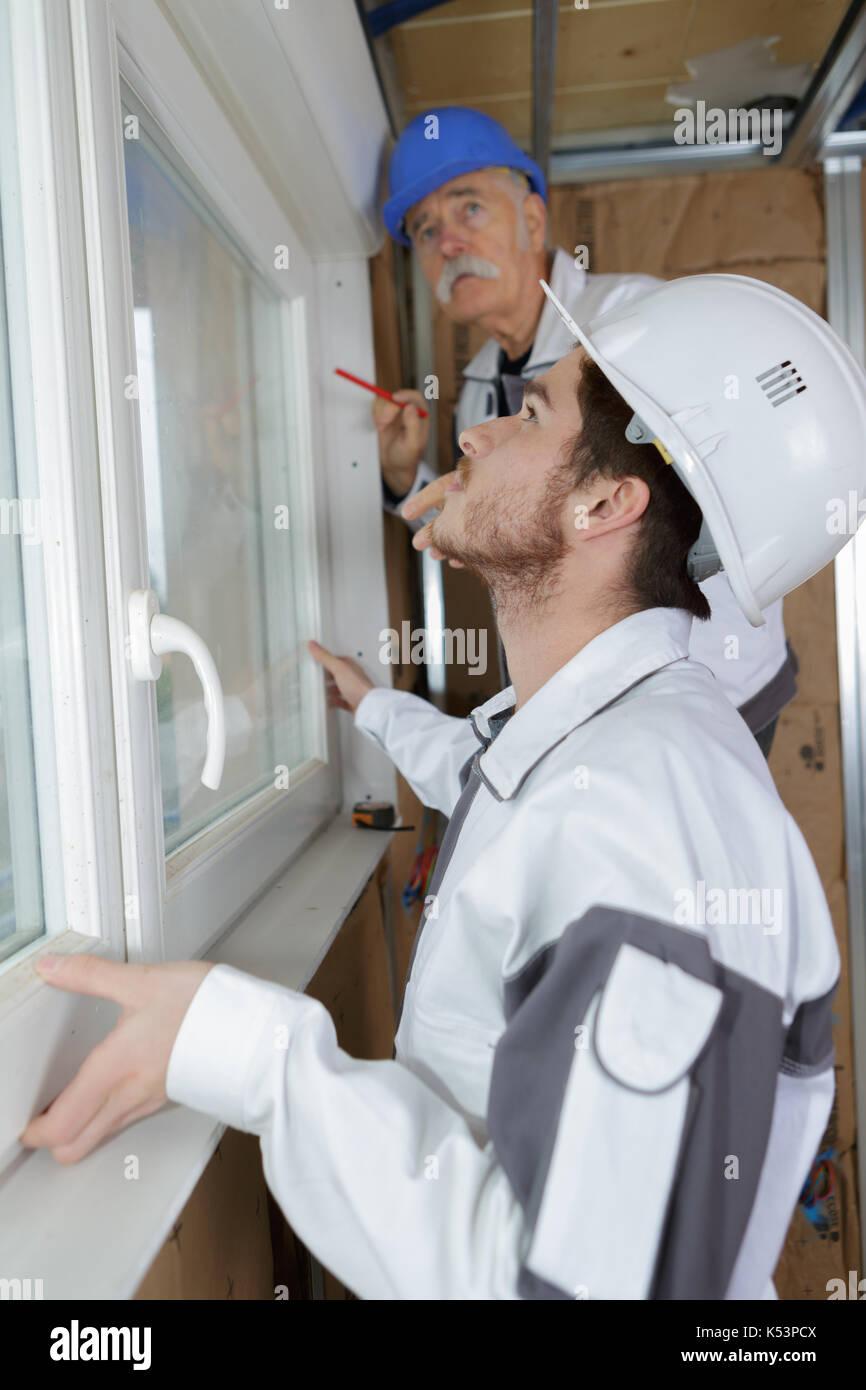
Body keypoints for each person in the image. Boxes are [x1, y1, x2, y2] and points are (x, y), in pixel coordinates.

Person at [20, 274, 866, 1300]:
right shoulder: (610, 734)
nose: (473, 436)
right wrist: (370, 708)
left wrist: (240, 1047)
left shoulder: (639, 818)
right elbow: (491, 781)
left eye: (530, 414)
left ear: (605, 501)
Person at [376, 106, 796, 755]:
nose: (448, 243)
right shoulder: (482, 383)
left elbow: (733, 497)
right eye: (426, 231)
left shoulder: (637, 322)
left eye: (469, 210)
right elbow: (503, 511)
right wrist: (409, 480)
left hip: (714, 691)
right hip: (596, 714)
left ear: (534, 219)